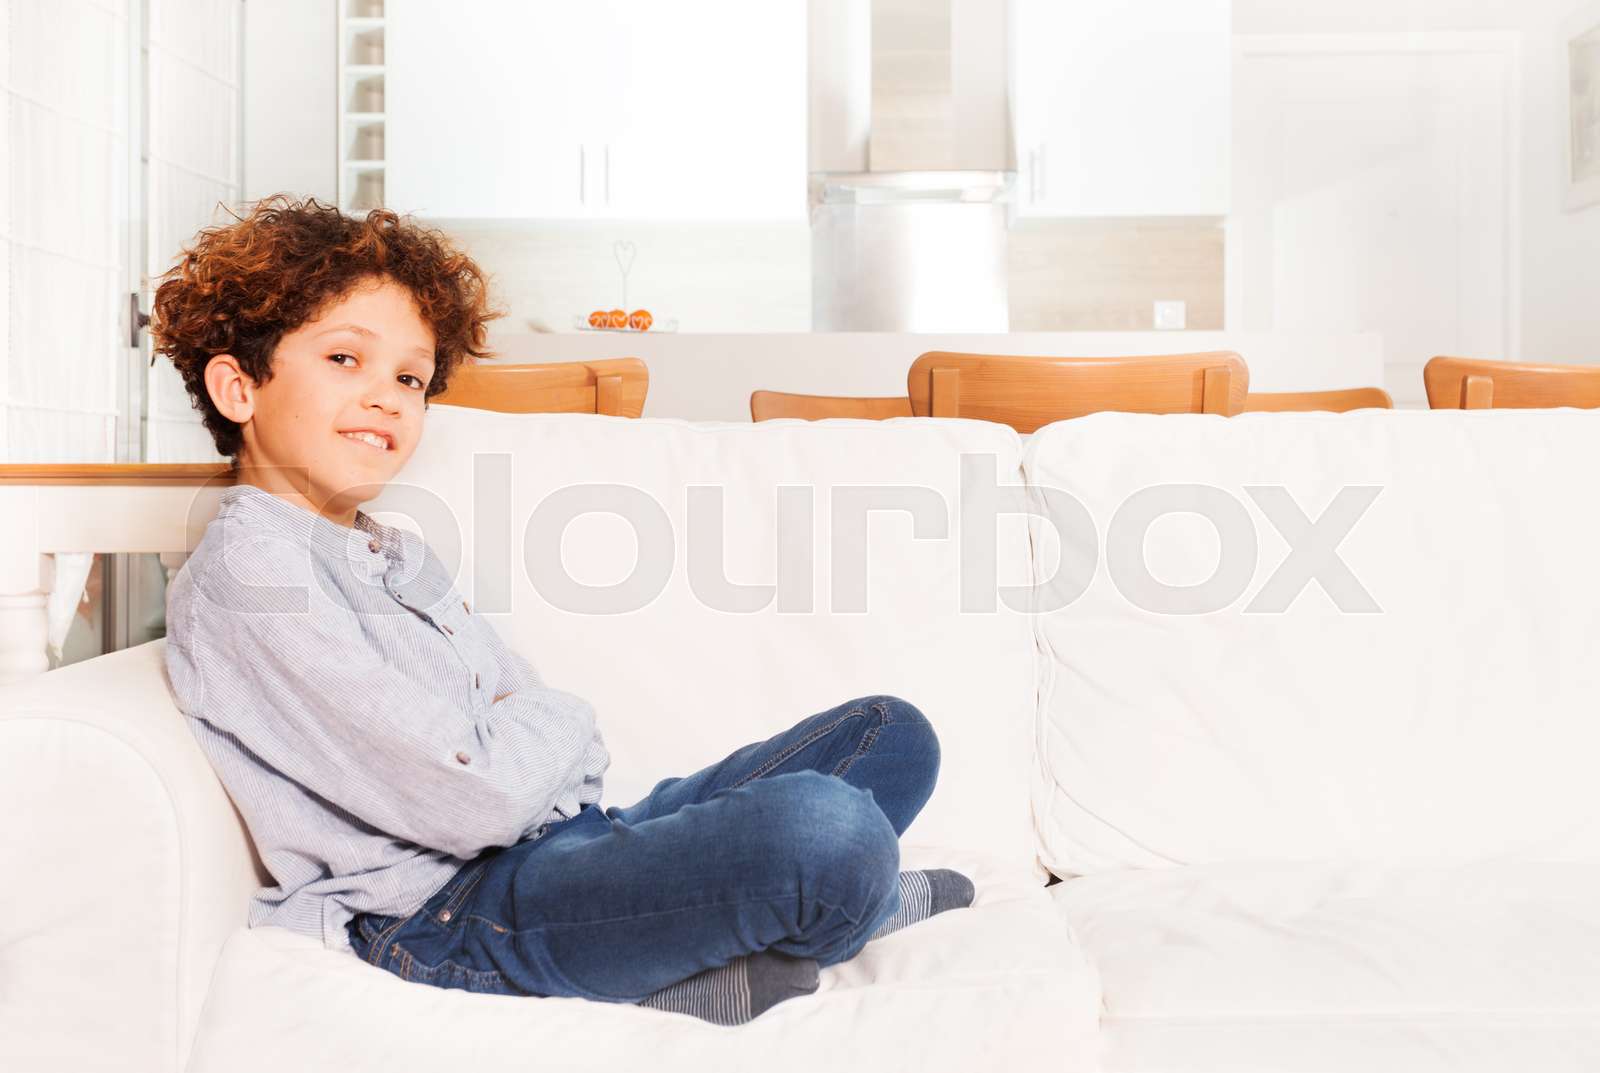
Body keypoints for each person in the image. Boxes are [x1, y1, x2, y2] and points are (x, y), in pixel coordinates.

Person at [153, 194, 974, 1026]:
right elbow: (476, 797)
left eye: (409, 377)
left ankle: (733, 937)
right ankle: (806, 919)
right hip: (444, 916)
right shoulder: (253, 571)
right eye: (344, 359)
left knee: (890, 732)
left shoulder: (394, 550)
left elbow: (546, 753)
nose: (388, 397)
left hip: (559, 845)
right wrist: (542, 729)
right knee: (828, 834)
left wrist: (524, 739)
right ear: (238, 387)